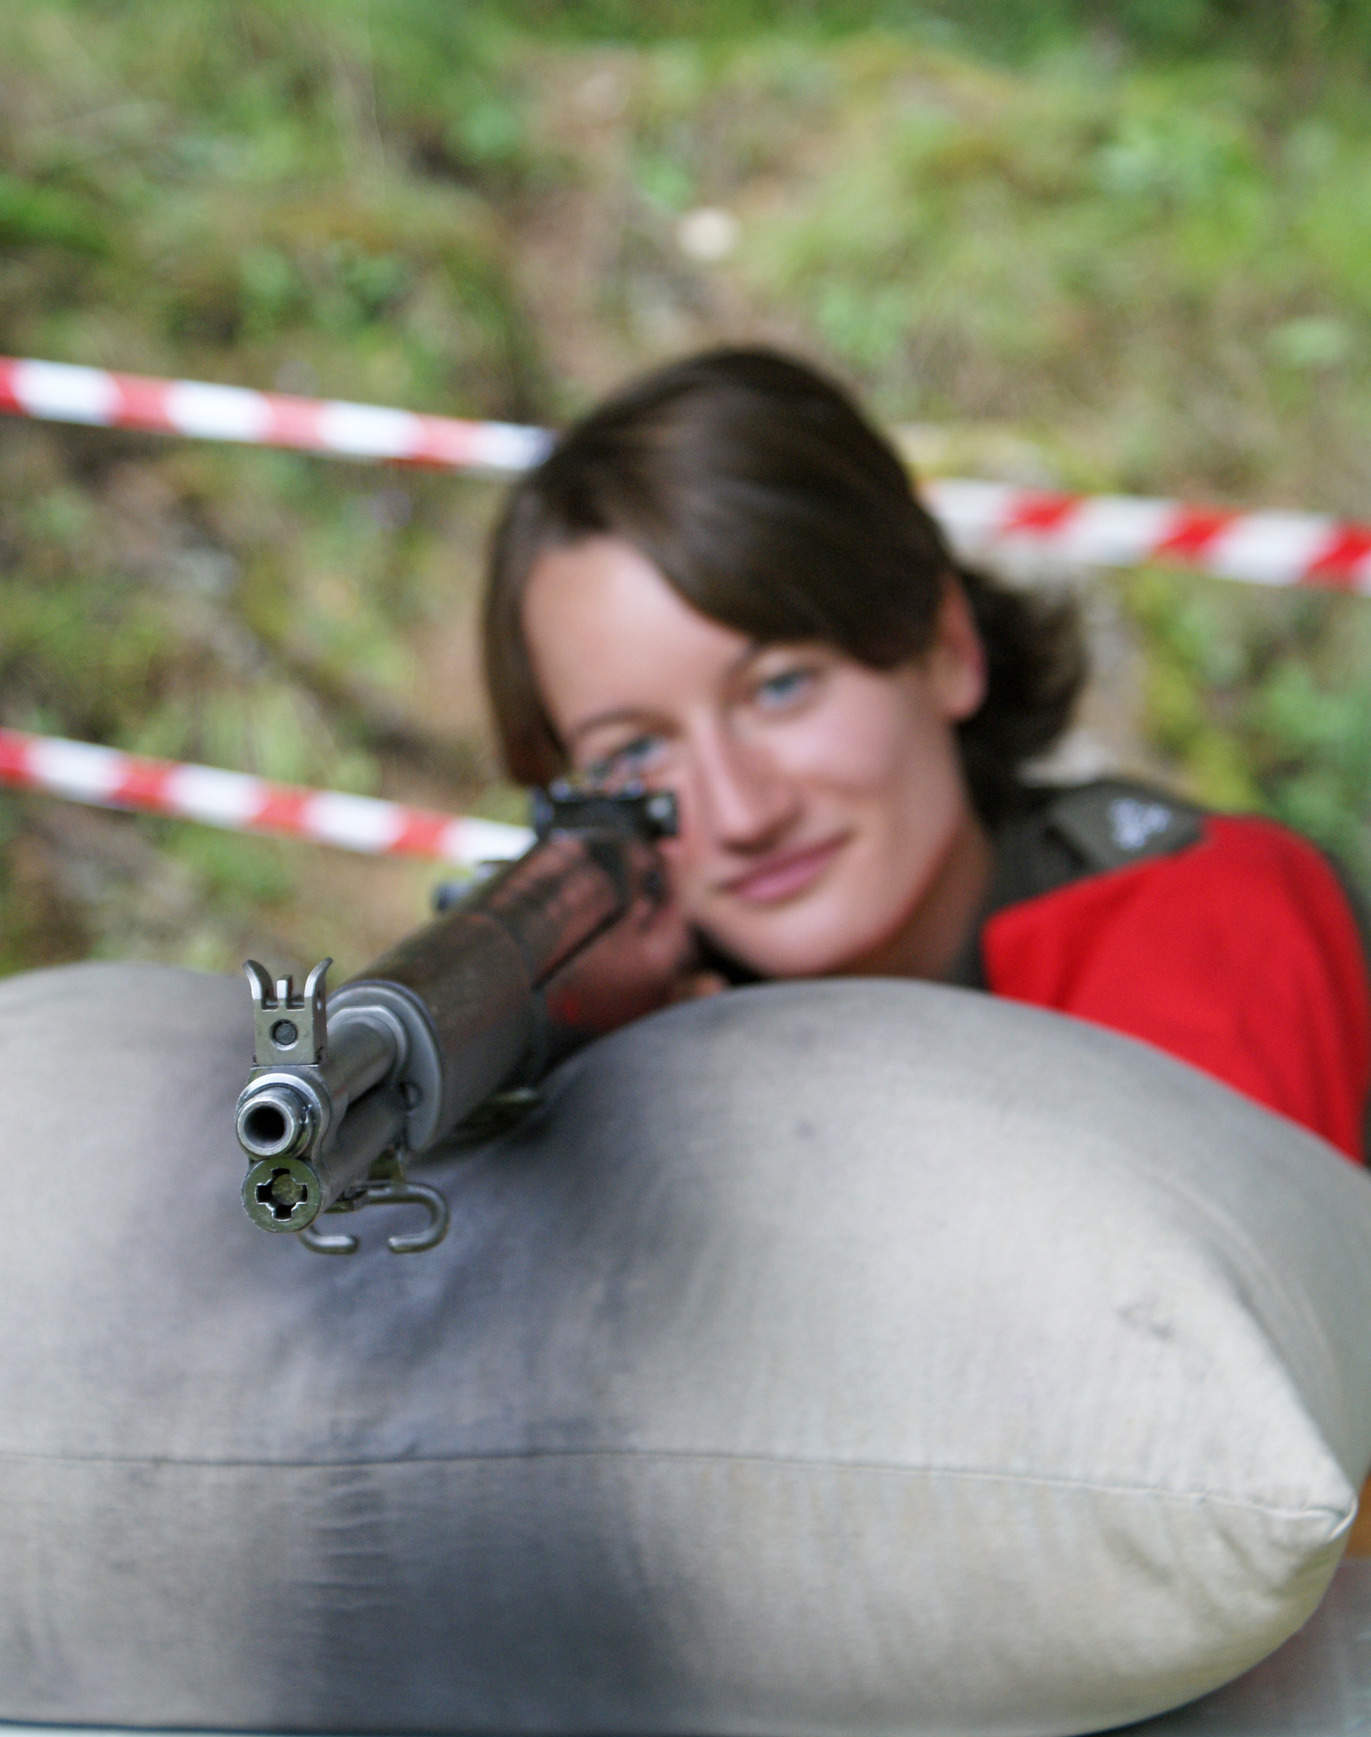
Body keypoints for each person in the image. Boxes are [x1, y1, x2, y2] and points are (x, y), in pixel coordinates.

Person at [482, 346, 1371, 1164]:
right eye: (635, 749)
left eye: (782, 687)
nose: (743, 814)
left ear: (946, 647)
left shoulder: (1205, 919)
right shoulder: (611, 1053)